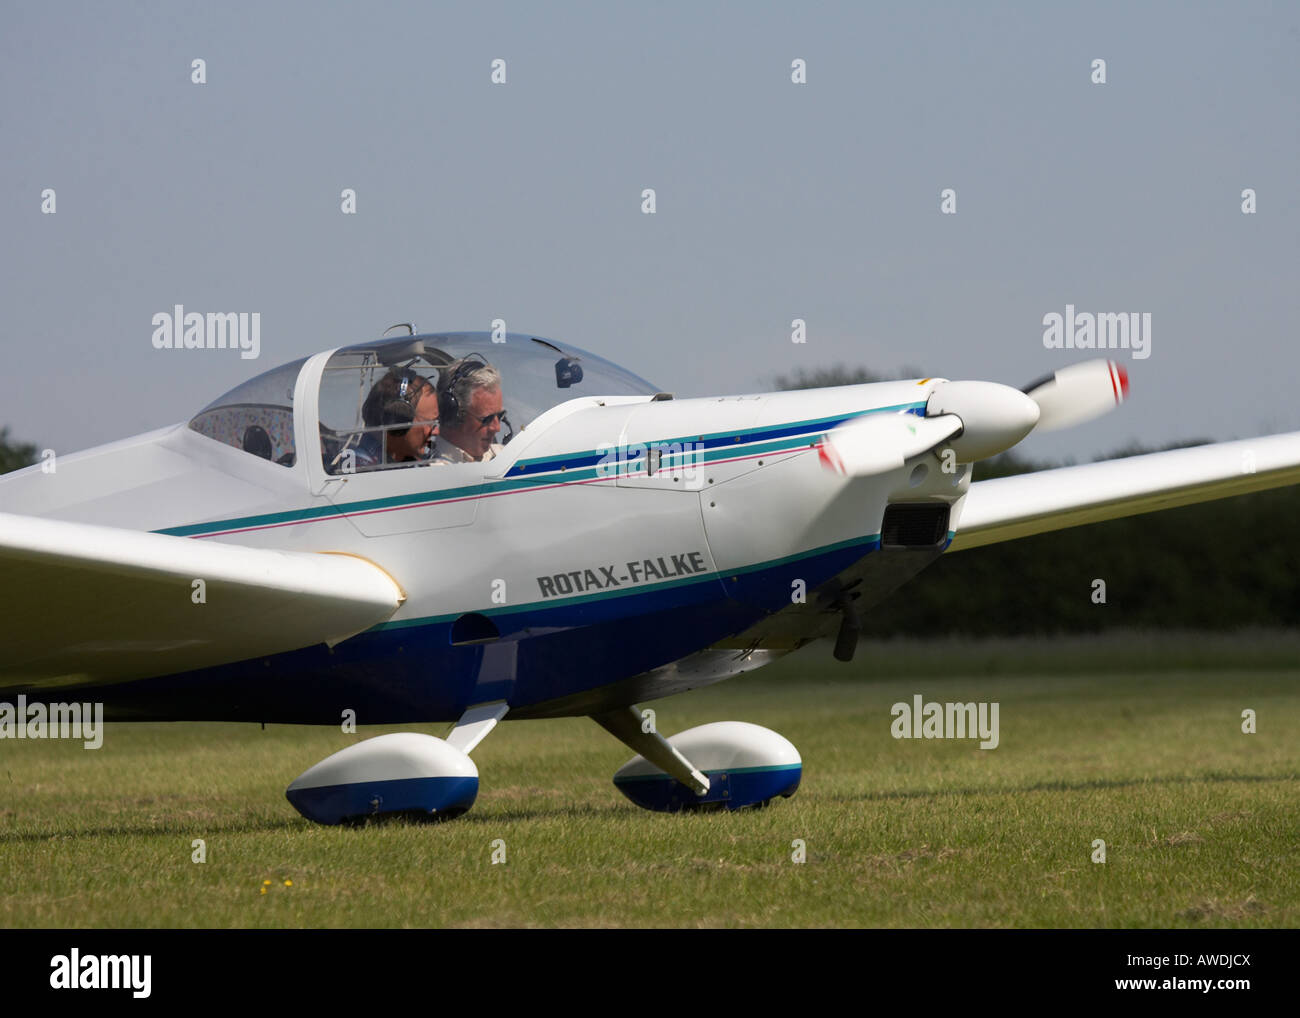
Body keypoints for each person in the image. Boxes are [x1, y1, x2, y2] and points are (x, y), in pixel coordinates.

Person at [347, 368, 439, 471]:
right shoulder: (361, 470)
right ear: (398, 421)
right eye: (429, 423)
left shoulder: (407, 459)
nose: (436, 431)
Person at [431, 356, 506, 464]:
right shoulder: (433, 473)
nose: (497, 428)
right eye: (487, 419)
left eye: (499, 416)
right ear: (453, 416)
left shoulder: (508, 456)